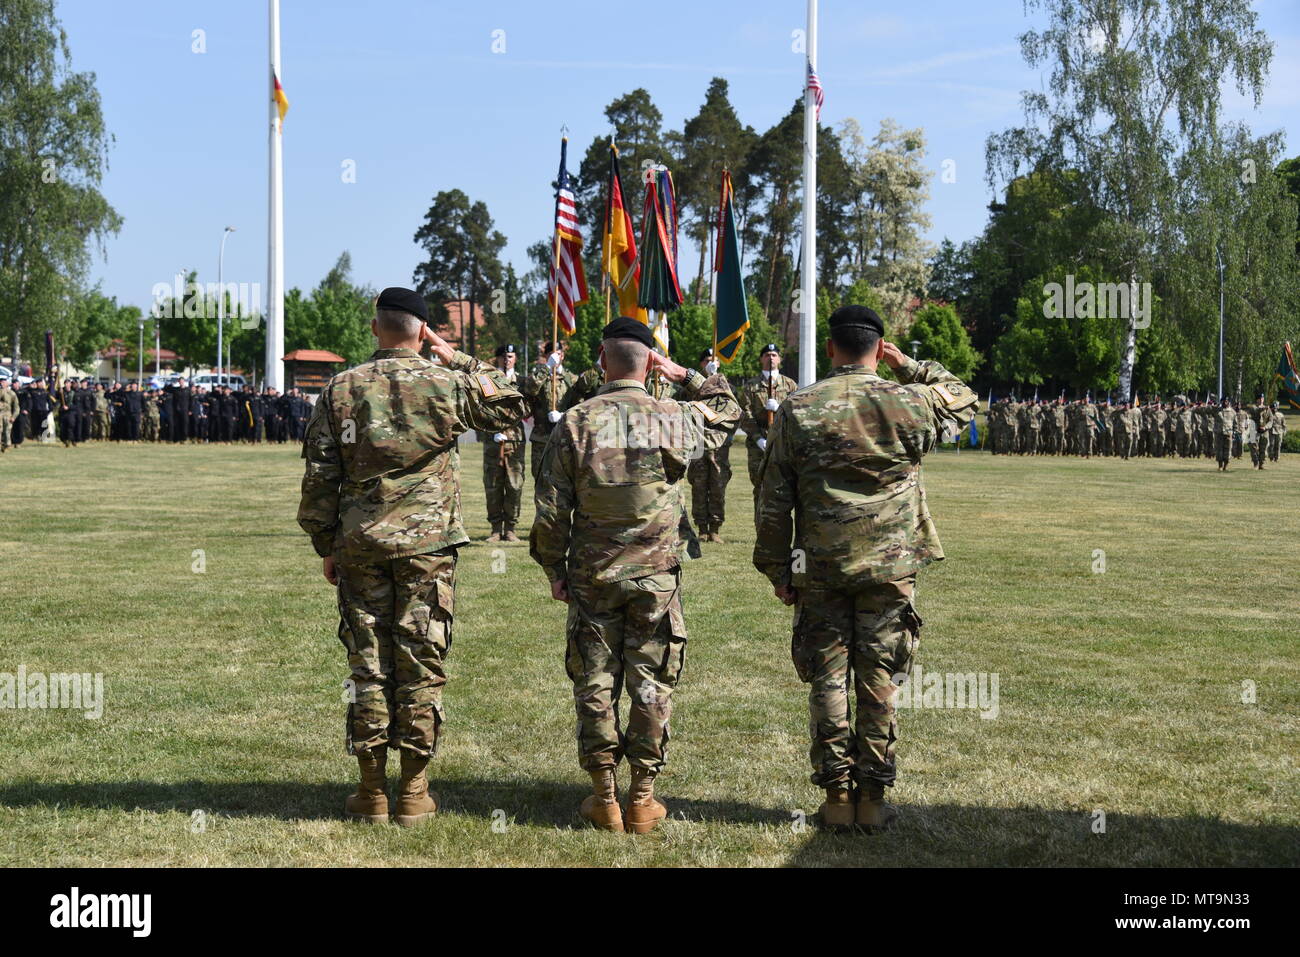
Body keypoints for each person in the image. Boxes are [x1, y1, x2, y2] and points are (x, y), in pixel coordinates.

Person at [298, 287, 526, 827]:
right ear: (423, 331)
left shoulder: (341, 387)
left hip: (360, 546)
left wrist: (325, 542)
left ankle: (373, 791)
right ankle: (414, 791)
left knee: (369, 664)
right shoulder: (447, 382)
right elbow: (511, 401)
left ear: (376, 328)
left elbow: (319, 477)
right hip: (428, 548)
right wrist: (454, 355)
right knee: (421, 659)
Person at [753, 304, 976, 832]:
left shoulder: (798, 406)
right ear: (880, 347)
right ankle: (872, 800)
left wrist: (776, 567)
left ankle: (836, 798)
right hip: (890, 568)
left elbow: (773, 496)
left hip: (820, 566)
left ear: (830, 348)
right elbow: (965, 399)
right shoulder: (911, 401)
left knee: (828, 680)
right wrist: (909, 366)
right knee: (880, 678)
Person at [529, 317, 740, 834]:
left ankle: (605, 796)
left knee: (595, 682)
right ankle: (642, 798)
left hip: (593, 574)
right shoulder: (673, 416)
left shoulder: (576, 421)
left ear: (602, 361)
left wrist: (554, 569)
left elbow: (551, 510)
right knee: (651, 682)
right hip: (655, 578)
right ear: (650, 362)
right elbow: (729, 410)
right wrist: (685, 372)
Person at [739, 343, 798, 515]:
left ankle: (778, 529)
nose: (770, 358)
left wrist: (779, 408)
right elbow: (745, 414)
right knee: (760, 486)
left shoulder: (789, 385)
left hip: (782, 443)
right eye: (767, 355)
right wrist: (758, 438)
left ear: (779, 359)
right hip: (759, 445)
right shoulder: (751, 386)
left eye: (774, 355)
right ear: (761, 359)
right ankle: (760, 527)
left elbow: (796, 413)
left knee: (782, 487)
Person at [685, 348, 736, 543]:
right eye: (706, 361)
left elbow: (734, 412)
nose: (710, 363)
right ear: (701, 365)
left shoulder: (729, 389)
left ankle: (715, 528)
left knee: (717, 486)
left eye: (713, 361)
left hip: (718, 446)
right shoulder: (690, 389)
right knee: (698, 486)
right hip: (698, 444)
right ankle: (702, 527)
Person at [480, 344, 525, 542]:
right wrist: (490, 430)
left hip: (514, 441)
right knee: (493, 484)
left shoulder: (522, 381)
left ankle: (511, 528)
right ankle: (496, 528)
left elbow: (529, 404)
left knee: (515, 485)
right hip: (494, 441)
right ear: (497, 359)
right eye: (504, 356)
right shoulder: (487, 381)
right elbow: (479, 408)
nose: (507, 360)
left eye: (511, 356)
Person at [520, 340, 576, 483]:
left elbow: (580, 406)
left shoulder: (572, 379)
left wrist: (564, 415)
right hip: (542, 439)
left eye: (558, 354)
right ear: (546, 356)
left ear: (562, 356)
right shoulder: (539, 377)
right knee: (541, 483)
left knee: (564, 484)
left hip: (564, 439)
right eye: (551, 354)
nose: (556, 357)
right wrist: (547, 367)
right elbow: (529, 389)